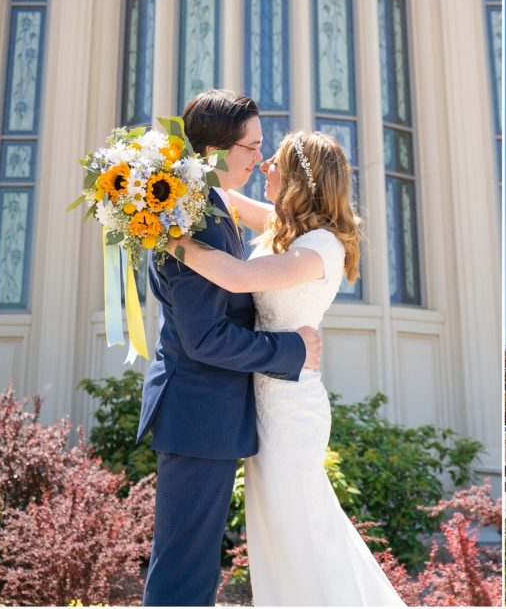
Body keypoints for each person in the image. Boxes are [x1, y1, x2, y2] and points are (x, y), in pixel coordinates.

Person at [167, 129, 404, 606]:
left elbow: (235, 278)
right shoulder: (284, 228)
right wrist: (157, 182)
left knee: (305, 532)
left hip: (291, 410)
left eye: (272, 160)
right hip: (264, 399)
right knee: (278, 535)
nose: (263, 167)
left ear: (297, 178)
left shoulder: (320, 246)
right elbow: (224, 196)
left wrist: (163, 236)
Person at [138, 90, 322, 606]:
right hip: (199, 414)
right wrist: (292, 350)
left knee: (189, 562)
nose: (259, 158)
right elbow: (205, 338)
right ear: (216, 151)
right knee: (184, 569)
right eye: (251, 147)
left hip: (204, 414)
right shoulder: (194, 219)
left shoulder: (208, 205)